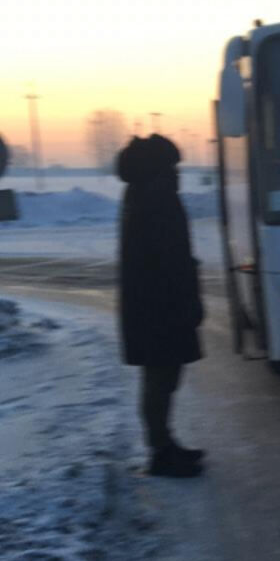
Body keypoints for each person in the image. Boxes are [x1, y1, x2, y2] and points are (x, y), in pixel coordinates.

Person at [117, 134, 206, 478]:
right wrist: (187, 302)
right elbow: (172, 260)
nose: (178, 172)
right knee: (160, 379)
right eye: (173, 165)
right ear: (160, 168)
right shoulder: (156, 197)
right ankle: (160, 452)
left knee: (161, 379)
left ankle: (163, 444)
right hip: (161, 310)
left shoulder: (141, 194)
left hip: (152, 308)